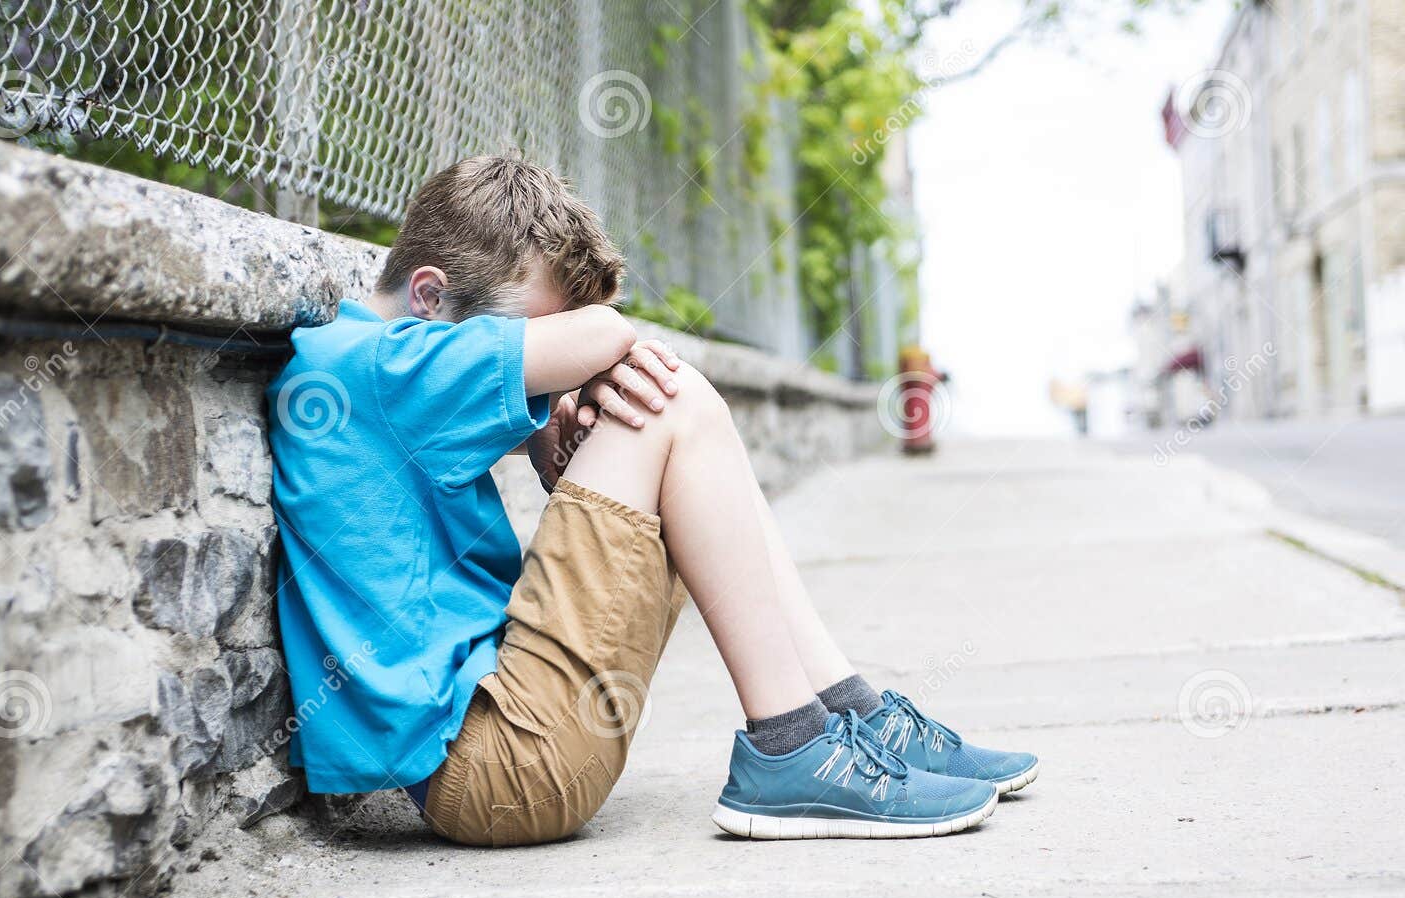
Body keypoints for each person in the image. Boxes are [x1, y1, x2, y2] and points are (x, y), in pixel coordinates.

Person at [267, 155, 1037, 844]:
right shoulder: (371, 366)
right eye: (531, 337)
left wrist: (564, 444)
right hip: (498, 767)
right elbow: (604, 334)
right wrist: (592, 362)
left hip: (510, 739)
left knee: (674, 414)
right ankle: (794, 743)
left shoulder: (369, 368)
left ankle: (846, 715)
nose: (539, 378)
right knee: (672, 399)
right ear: (430, 295)